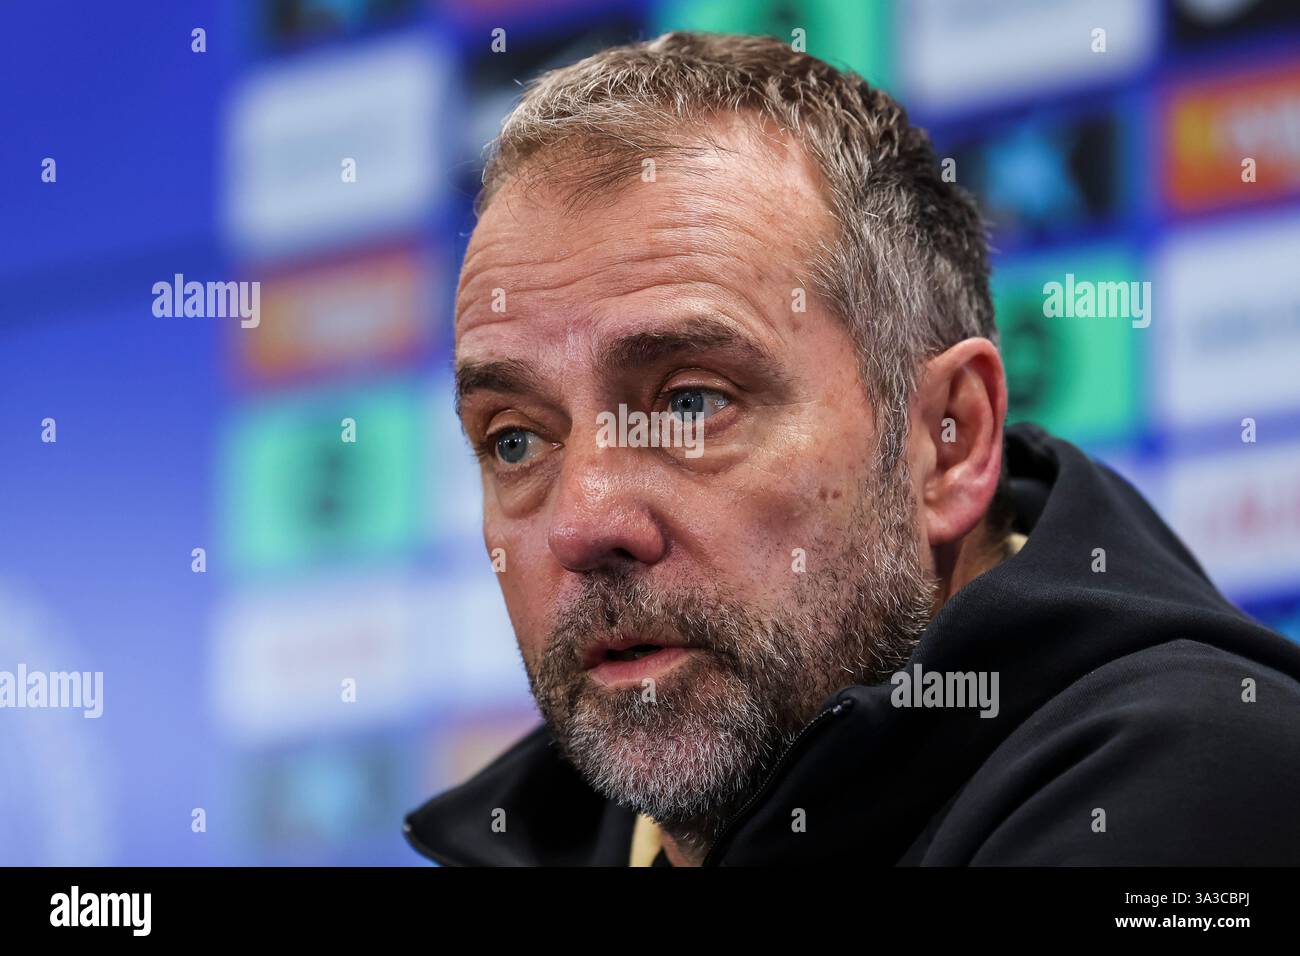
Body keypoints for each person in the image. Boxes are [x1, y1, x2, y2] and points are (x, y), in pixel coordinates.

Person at [404, 32, 1300, 866]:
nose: (582, 522)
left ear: (949, 443)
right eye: (514, 440)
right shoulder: (538, 839)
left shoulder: (1199, 789)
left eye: (690, 403)